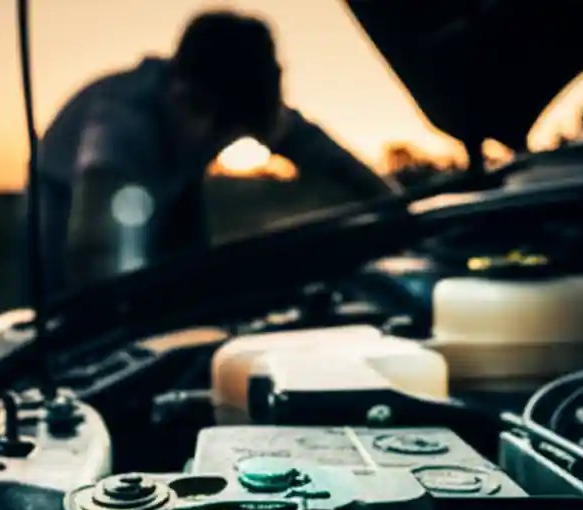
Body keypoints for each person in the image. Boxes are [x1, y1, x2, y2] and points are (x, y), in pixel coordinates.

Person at [21, 9, 400, 306]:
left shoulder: (232, 102)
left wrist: (398, 210)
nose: (224, 143)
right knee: (75, 312)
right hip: (67, 197)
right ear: (185, 96)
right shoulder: (122, 126)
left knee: (193, 290)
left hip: (171, 186)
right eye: (225, 132)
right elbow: (95, 251)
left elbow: (320, 153)